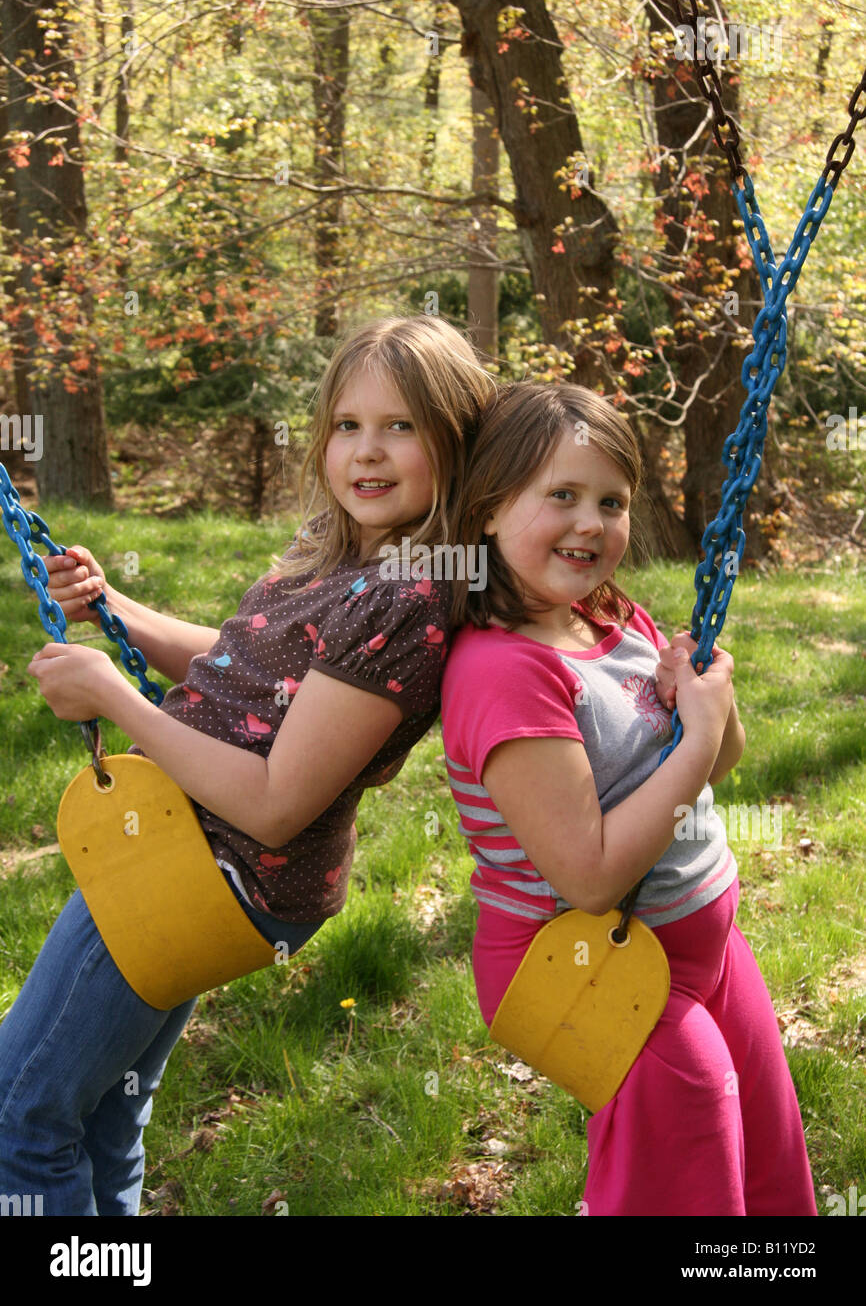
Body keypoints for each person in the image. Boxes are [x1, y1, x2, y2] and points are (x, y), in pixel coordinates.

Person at [0, 314, 496, 1216]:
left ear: (456, 438)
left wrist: (118, 697)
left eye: (401, 427)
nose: (367, 453)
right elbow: (241, 672)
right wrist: (118, 608)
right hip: (198, 850)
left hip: (212, 865)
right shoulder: (349, 551)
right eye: (348, 426)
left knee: (19, 1114)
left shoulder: (405, 599)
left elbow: (273, 803)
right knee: (108, 1114)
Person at [440, 380, 817, 1217]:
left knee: (766, 1157)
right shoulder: (504, 670)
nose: (591, 523)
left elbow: (719, 763)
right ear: (490, 510)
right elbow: (590, 875)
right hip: (589, 962)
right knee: (684, 1167)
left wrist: (707, 701)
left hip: (702, 944)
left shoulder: (612, 617)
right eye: (562, 496)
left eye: (611, 501)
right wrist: (697, 736)